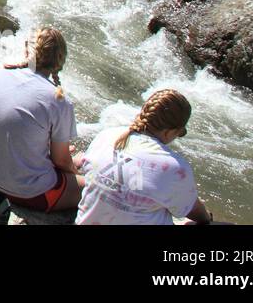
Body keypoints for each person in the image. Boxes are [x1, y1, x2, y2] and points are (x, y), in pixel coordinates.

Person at [0, 27, 83, 212]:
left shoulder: (1, 74)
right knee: (96, 187)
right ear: (60, 60)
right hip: (30, 194)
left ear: (28, 51)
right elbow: (61, 161)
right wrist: (75, 174)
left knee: (77, 159)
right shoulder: (59, 100)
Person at [76, 89, 213, 225]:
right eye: (179, 133)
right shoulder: (174, 167)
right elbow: (196, 213)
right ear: (169, 132)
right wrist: (207, 217)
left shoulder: (106, 136)